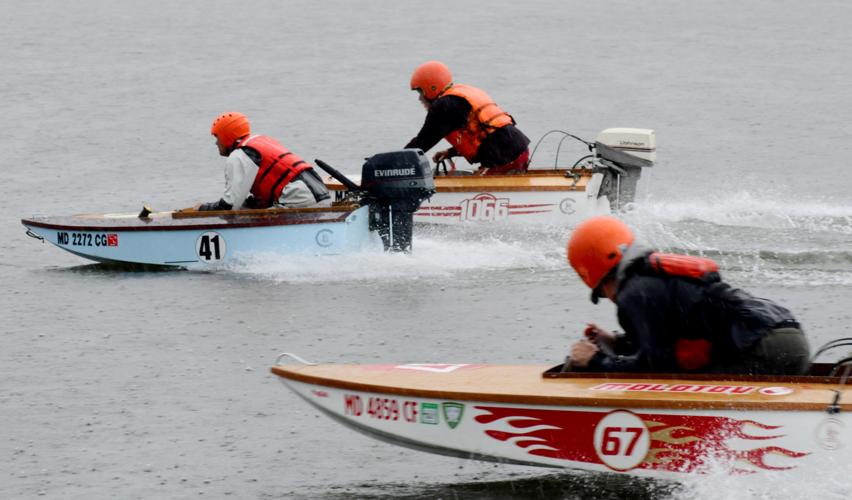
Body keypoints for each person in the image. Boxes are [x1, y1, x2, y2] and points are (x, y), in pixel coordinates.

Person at [565, 216, 810, 375]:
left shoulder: (633, 293)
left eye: (602, 292)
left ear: (603, 275)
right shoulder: (652, 278)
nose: (610, 299)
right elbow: (664, 344)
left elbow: (652, 367)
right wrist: (618, 342)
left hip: (763, 346)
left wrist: (595, 360)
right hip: (788, 336)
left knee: (687, 377)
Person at [405, 61, 530, 175]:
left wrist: (398, 160)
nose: (420, 98)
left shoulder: (444, 106)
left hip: (502, 158)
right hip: (519, 151)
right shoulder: (461, 95)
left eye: (420, 92)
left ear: (431, 87)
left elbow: (423, 141)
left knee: (478, 183)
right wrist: (451, 152)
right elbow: (482, 136)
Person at [198, 112, 330, 211]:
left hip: (297, 197)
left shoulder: (238, 156)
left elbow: (230, 205)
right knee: (248, 208)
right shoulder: (260, 141)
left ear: (227, 136)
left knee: (245, 219)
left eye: (217, 137)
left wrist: (203, 208)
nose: (216, 143)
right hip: (318, 192)